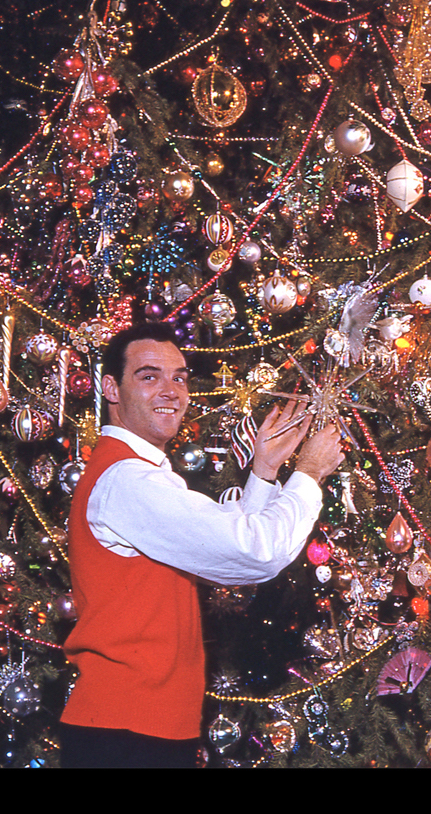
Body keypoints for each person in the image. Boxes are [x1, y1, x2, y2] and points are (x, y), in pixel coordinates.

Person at [59, 321, 345, 768]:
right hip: (124, 730)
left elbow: (219, 545)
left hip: (148, 725)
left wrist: (265, 472)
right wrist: (308, 473)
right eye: (149, 376)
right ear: (111, 389)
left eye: (180, 377)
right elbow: (254, 553)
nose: (171, 390)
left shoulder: (141, 473)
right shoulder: (126, 480)